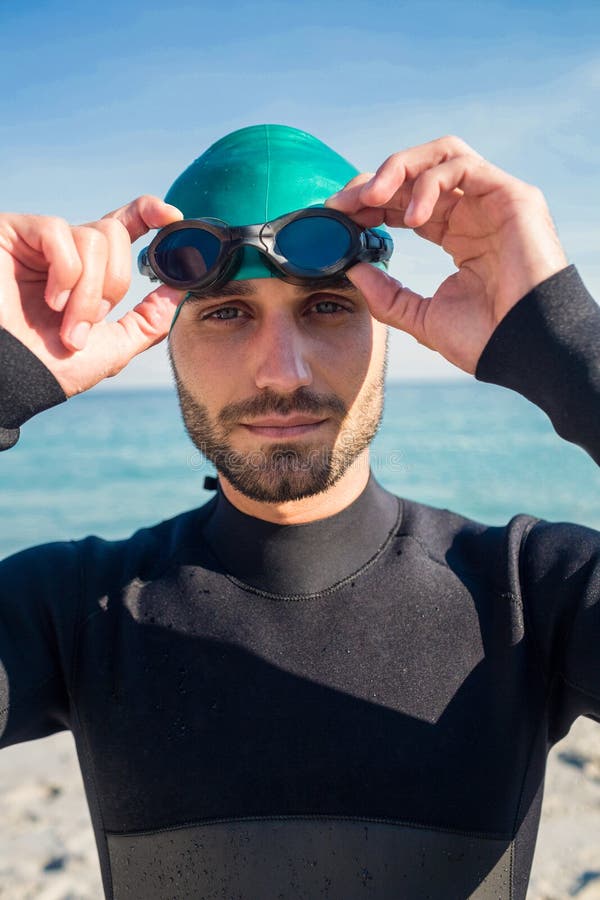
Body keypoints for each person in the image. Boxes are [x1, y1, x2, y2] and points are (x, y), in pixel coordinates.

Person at [0, 124, 598, 900]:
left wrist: (571, 347)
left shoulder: (534, 595)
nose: (282, 372)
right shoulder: (73, 608)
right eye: (225, 313)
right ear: (164, 337)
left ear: (387, 327)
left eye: (324, 306)